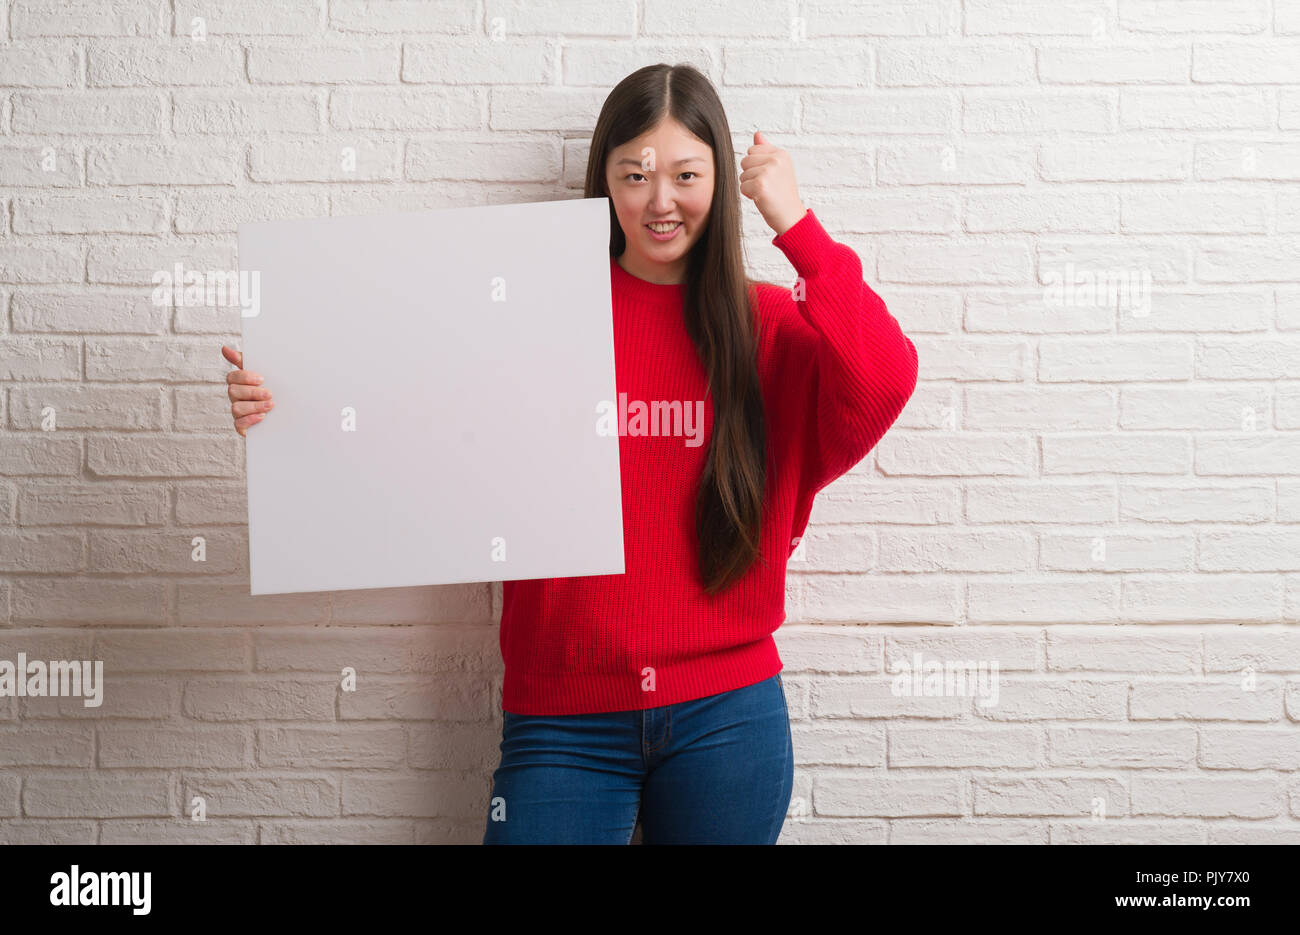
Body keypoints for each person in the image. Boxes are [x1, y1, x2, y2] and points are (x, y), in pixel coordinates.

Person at [222, 63, 919, 845]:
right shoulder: (533, 316)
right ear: (606, 183)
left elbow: (884, 379)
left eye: (687, 174)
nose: (661, 200)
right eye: (636, 174)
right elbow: (407, 422)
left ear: (723, 181)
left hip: (728, 717)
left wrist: (795, 222)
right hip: (562, 720)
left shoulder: (766, 330)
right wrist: (286, 410)